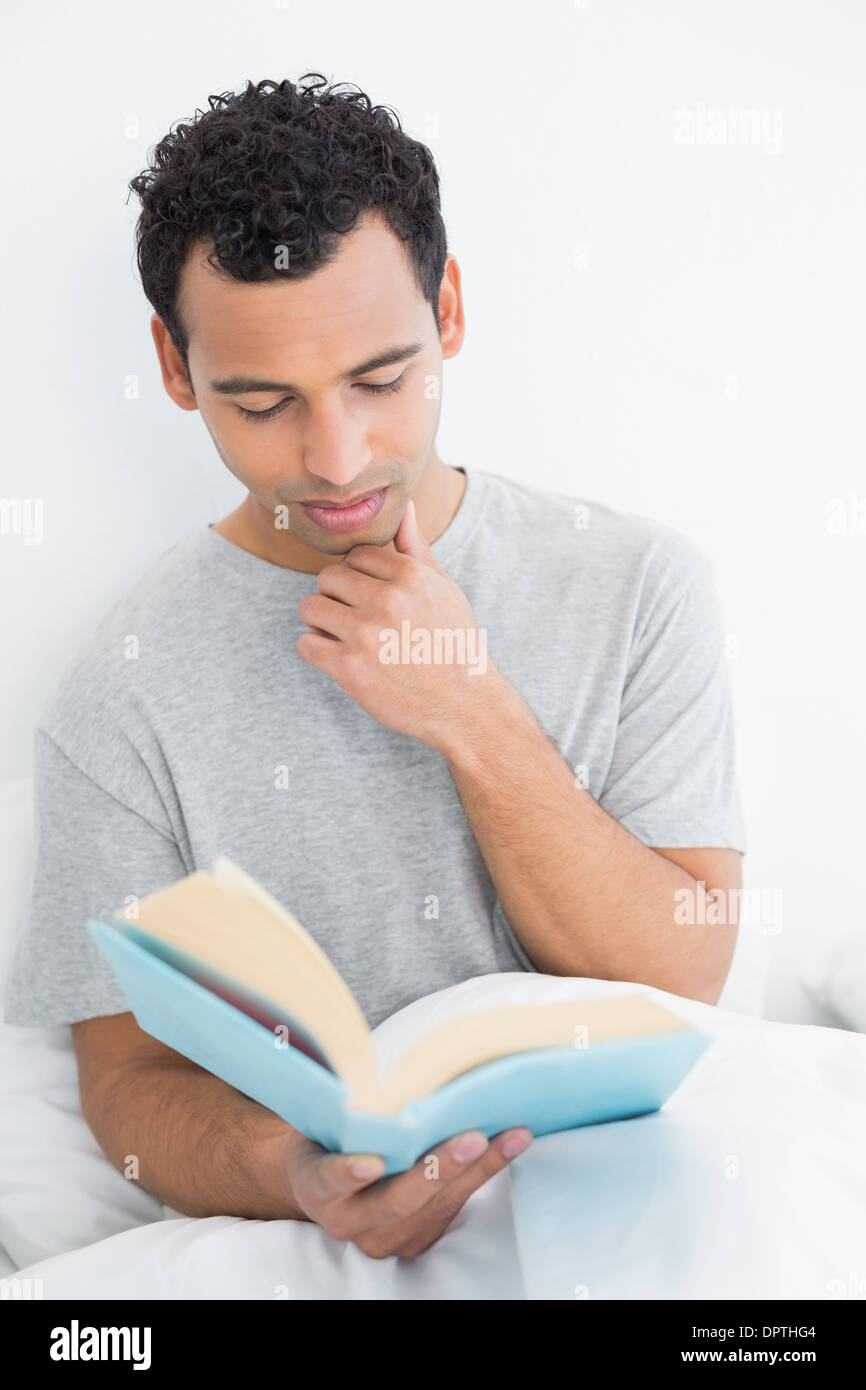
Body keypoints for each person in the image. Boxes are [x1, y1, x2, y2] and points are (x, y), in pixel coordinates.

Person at [4, 74, 746, 1260]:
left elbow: (680, 977)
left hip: (636, 1216)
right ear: (176, 366)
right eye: (262, 403)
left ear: (446, 310)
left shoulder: (635, 584)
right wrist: (290, 1168)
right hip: (318, 1247)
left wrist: (470, 713)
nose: (336, 458)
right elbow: (129, 1083)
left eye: (380, 380)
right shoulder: (122, 689)